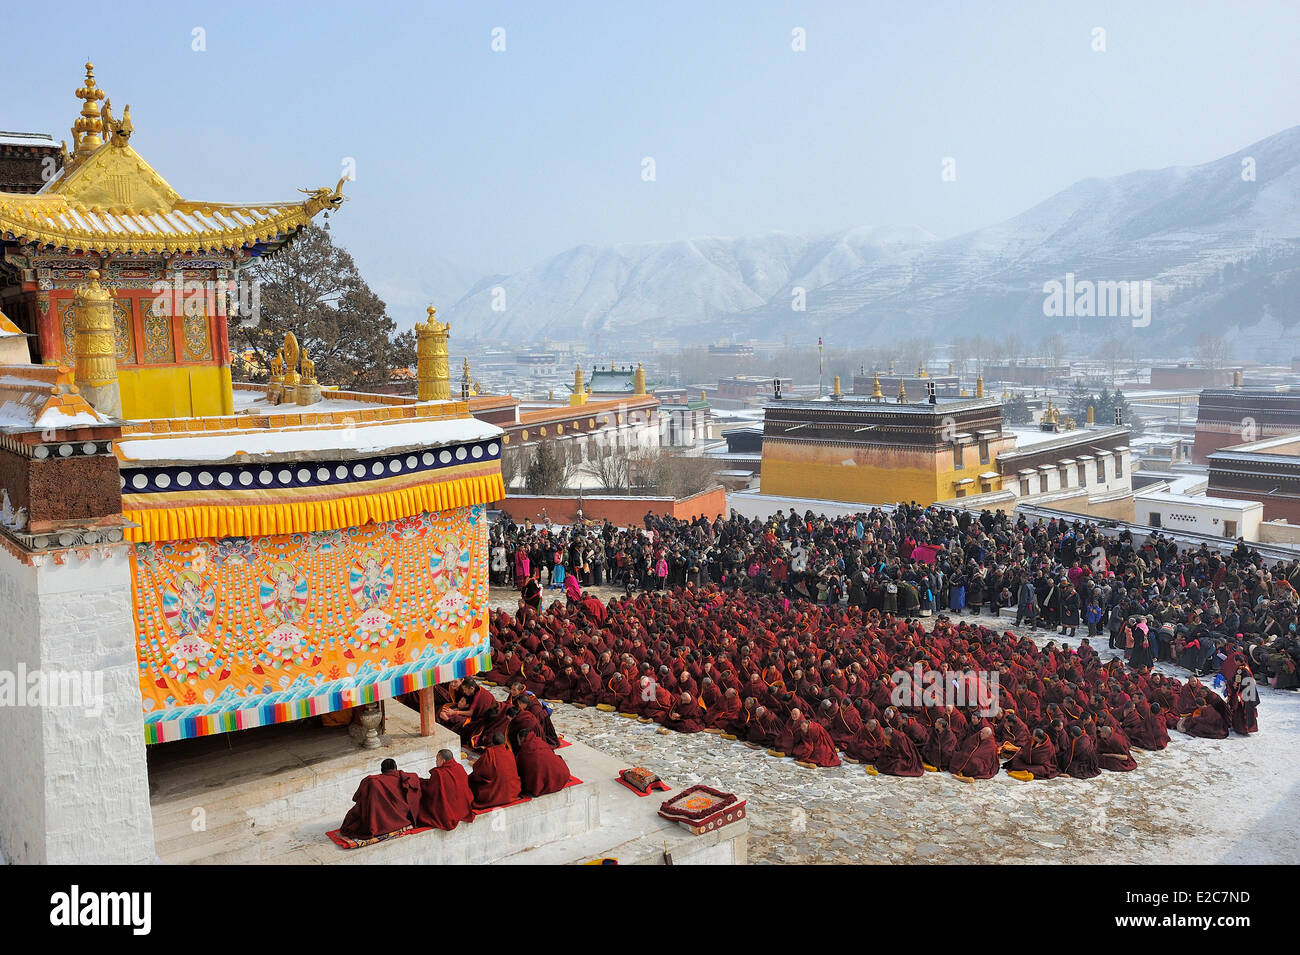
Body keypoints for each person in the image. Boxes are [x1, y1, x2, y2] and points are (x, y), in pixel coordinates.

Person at [339, 758, 421, 839]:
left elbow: (357, 798)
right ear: (396, 767)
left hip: (381, 824)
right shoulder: (408, 777)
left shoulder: (372, 782)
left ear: (382, 770)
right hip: (404, 818)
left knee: (359, 808)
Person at [418, 750, 475, 831]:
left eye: (437, 759)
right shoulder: (459, 767)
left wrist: (420, 783)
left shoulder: (439, 773)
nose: (436, 762)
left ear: (443, 761)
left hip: (448, 812)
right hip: (463, 808)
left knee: (421, 802)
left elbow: (430, 790)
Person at [469, 733, 524, 809]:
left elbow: (478, 772)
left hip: (493, 795)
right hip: (512, 792)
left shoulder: (490, 753)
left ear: (492, 743)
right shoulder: (510, 753)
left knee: (471, 779)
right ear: (505, 742)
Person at [514, 729, 572, 796]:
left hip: (542, 785)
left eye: (518, 740)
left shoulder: (524, 752)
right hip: (562, 777)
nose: (518, 743)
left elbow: (520, 771)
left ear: (522, 739)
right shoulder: (541, 742)